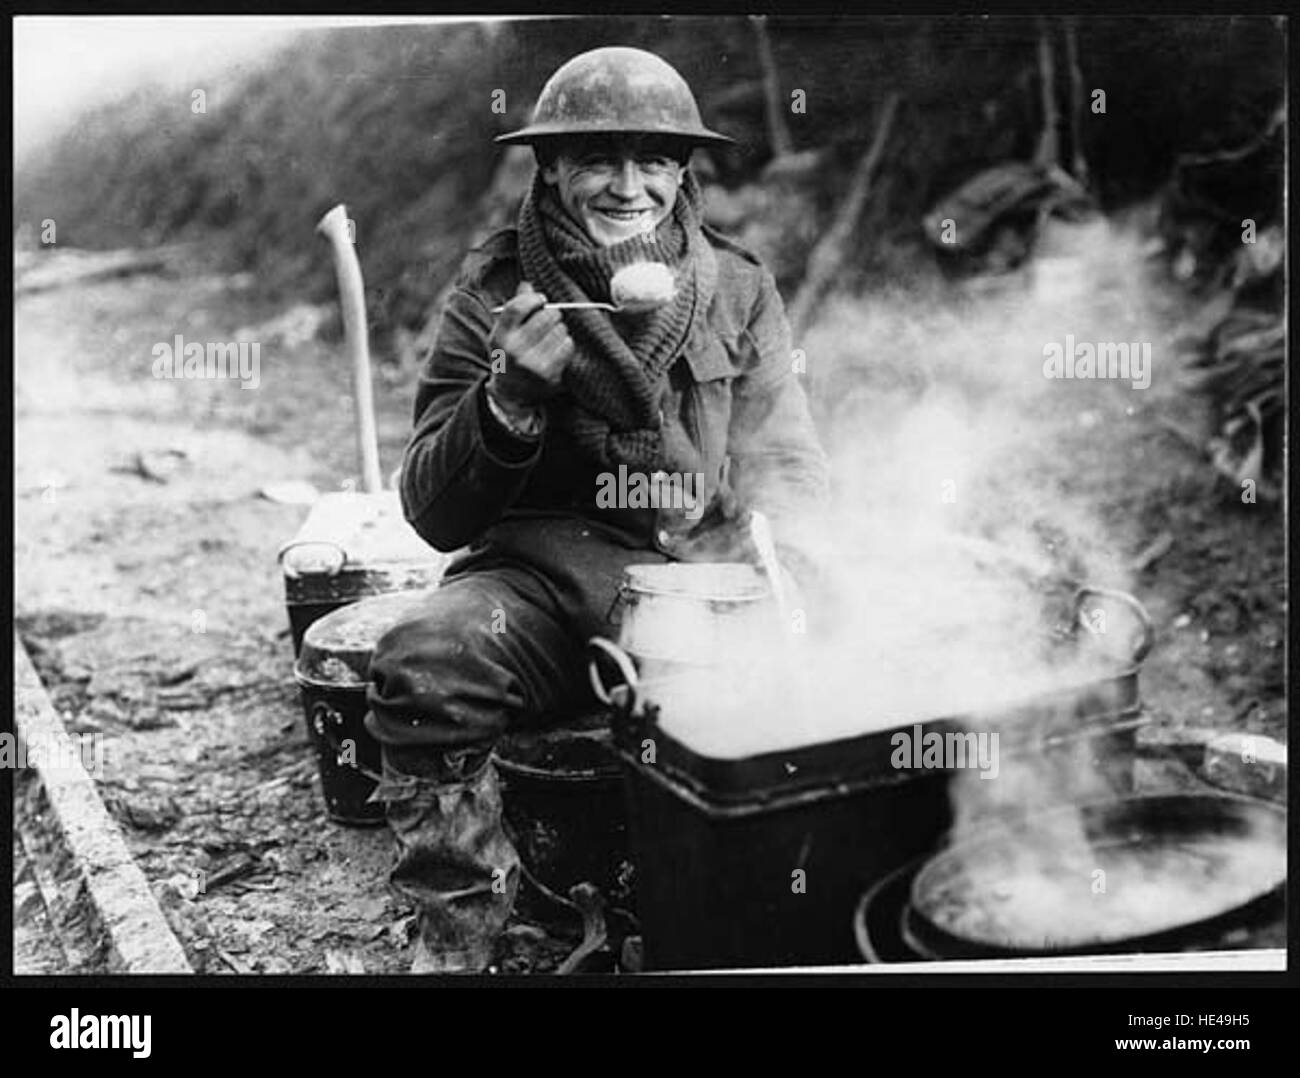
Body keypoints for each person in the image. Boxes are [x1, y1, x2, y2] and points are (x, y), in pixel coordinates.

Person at [366, 45, 829, 973]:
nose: (629, 187)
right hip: (544, 591)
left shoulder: (736, 287)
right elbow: (430, 508)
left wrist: (800, 578)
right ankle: (461, 947)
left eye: (653, 160)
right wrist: (508, 400)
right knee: (426, 663)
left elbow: (787, 464)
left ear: (683, 169)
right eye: (597, 160)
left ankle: (770, 922)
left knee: (870, 656)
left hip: (704, 579)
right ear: (549, 168)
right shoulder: (496, 291)